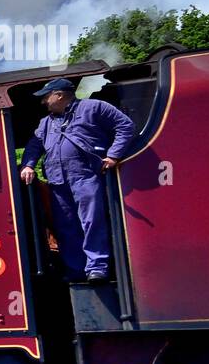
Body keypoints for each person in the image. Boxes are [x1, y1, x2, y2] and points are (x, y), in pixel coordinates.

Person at [19, 77, 136, 283]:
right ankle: (77, 270)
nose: (43, 102)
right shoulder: (45, 123)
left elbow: (125, 126)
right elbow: (34, 145)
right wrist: (28, 164)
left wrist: (114, 155)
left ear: (59, 95)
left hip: (86, 175)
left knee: (92, 222)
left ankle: (97, 267)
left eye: (46, 97)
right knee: (66, 226)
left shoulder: (94, 107)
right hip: (57, 180)